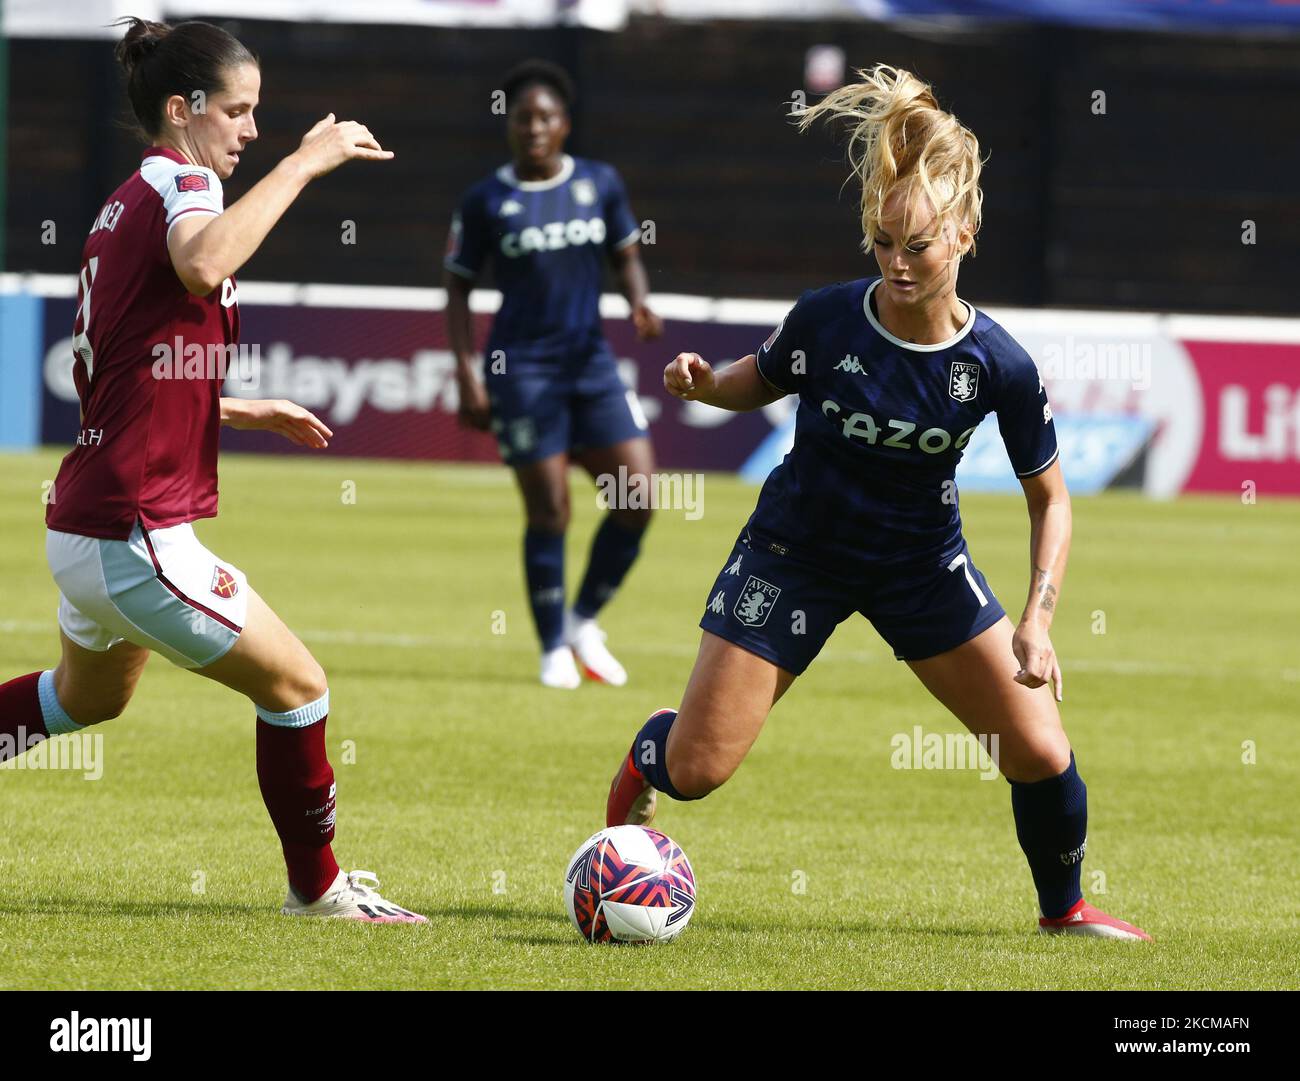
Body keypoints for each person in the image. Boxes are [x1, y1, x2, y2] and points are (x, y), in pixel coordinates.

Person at [605, 65, 1150, 940]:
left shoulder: (1000, 367)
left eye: (919, 245)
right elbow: (759, 380)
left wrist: (1039, 620)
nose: (898, 263)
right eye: (883, 242)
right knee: (697, 769)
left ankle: (1066, 911)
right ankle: (643, 761)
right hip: (795, 553)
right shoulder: (828, 319)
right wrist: (707, 387)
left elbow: (1051, 499)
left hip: (919, 567)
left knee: (1042, 751)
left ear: (964, 234)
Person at [0, 17, 425, 923]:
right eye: (238, 110)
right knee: (301, 689)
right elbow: (205, 261)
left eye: (259, 115)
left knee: (79, 702)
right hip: (133, 532)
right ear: (181, 110)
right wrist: (308, 164)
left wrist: (236, 408)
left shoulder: (123, 203)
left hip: (84, 524)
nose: (251, 130)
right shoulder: (182, 184)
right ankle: (317, 892)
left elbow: (114, 374)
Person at [444, 59, 663, 690]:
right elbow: (456, 289)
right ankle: (550, 650)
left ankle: (582, 620)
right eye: (522, 118)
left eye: (545, 117)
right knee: (551, 512)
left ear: (564, 125)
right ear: (509, 125)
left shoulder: (600, 183)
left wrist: (639, 302)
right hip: (523, 371)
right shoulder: (486, 200)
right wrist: (467, 374)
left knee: (638, 497)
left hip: (591, 363)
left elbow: (626, 255)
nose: (534, 127)